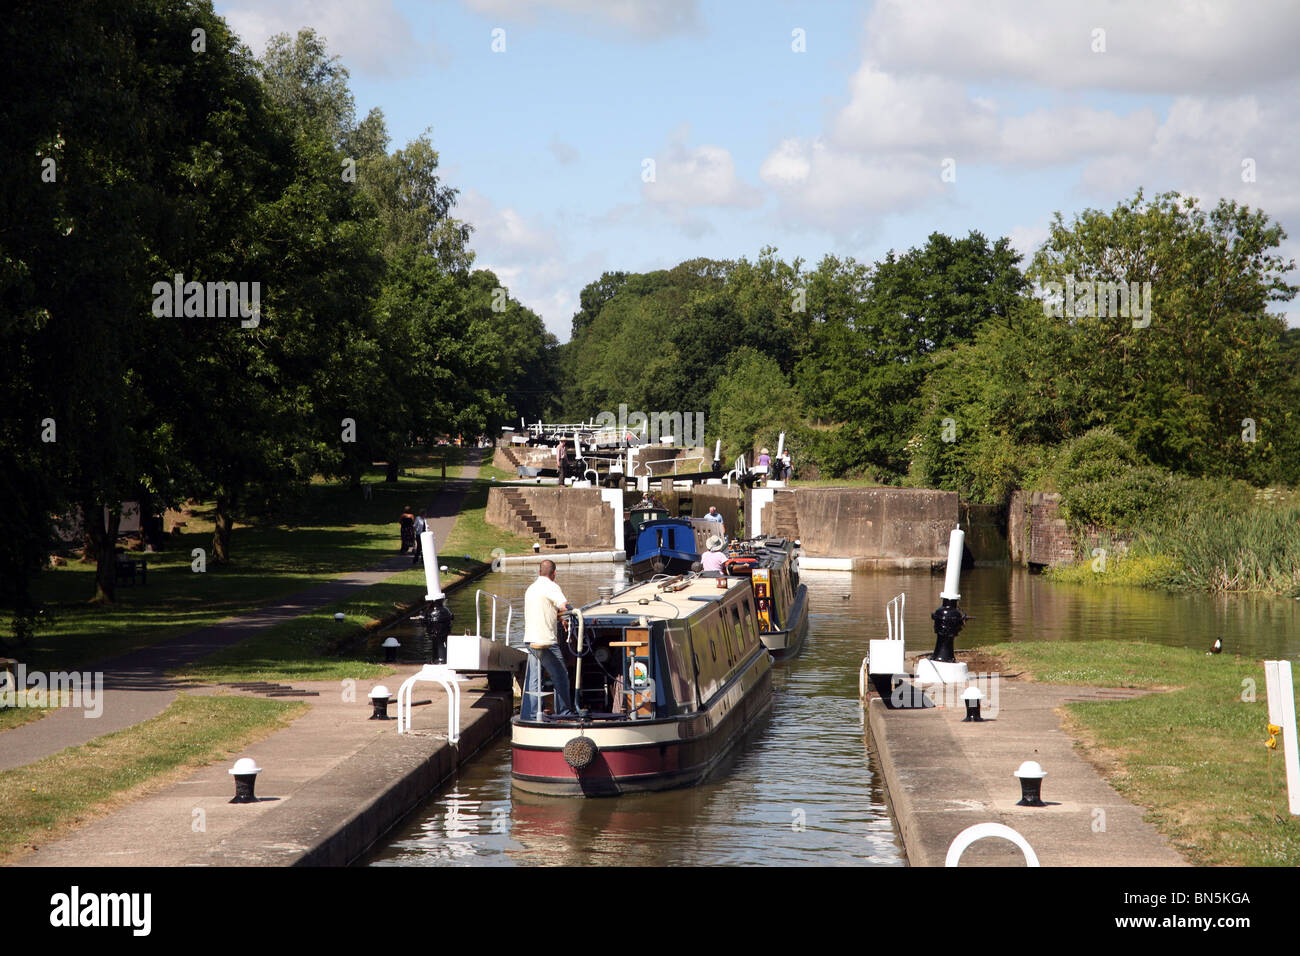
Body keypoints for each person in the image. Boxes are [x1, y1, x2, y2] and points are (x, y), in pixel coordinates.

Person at [523, 560, 577, 718]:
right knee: (560, 674)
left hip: (530, 640)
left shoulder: (531, 588)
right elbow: (563, 605)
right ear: (554, 574)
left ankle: (532, 714)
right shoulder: (551, 586)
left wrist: (559, 618)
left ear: (539, 572)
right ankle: (565, 712)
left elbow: (543, 608)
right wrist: (574, 612)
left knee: (534, 677)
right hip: (546, 640)